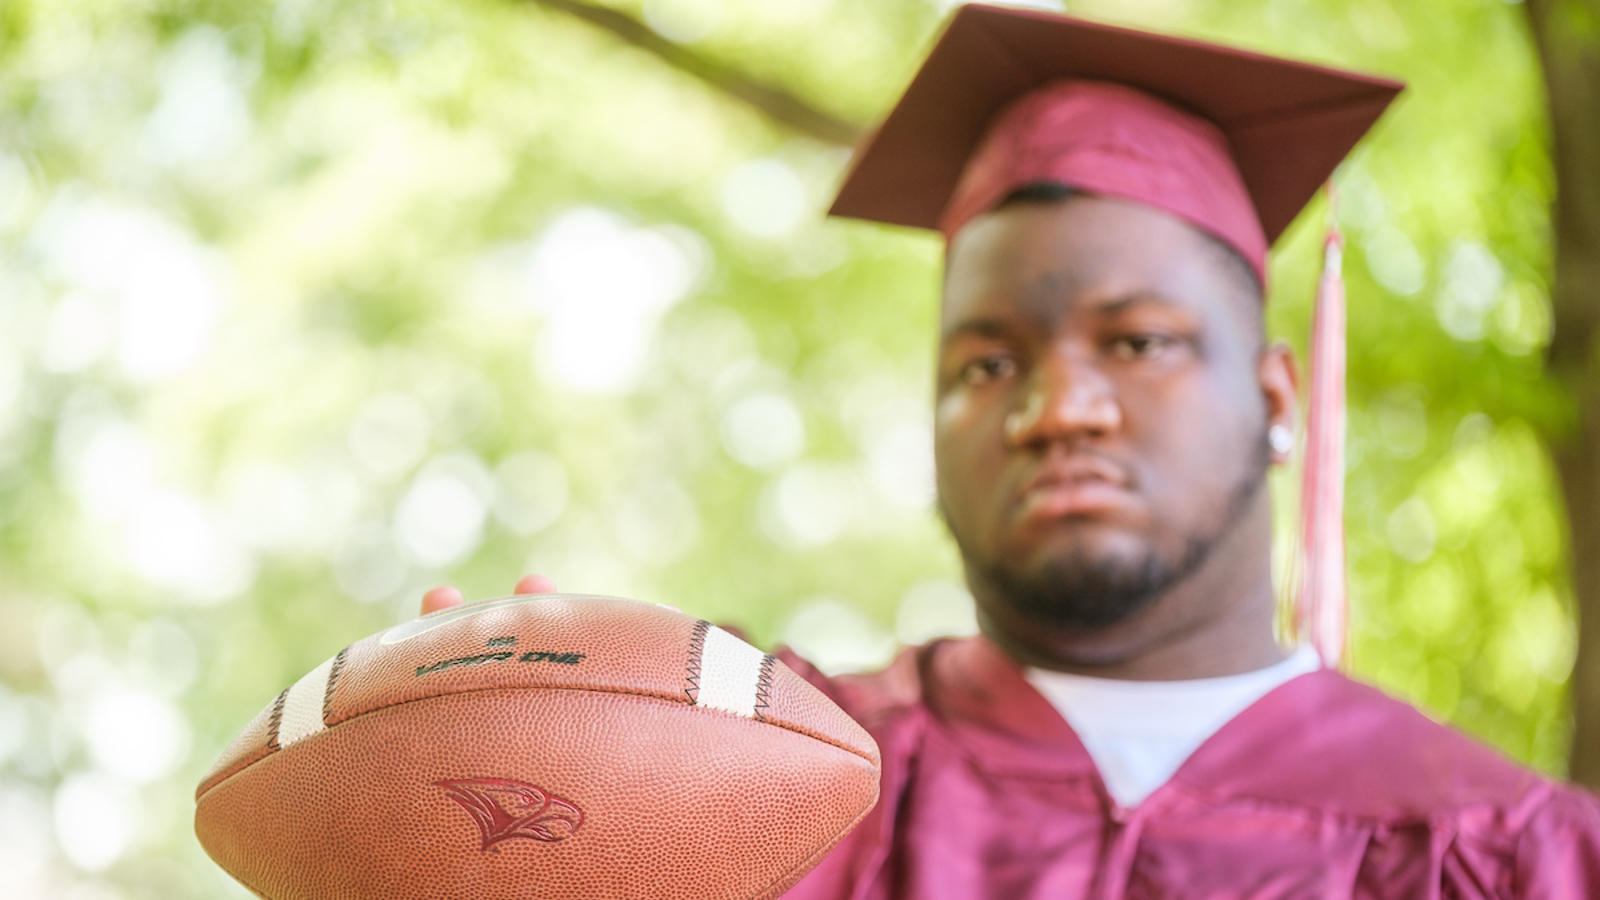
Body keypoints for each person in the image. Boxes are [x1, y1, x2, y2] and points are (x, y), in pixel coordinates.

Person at [423, 5, 1600, 896]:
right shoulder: (758, 775)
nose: (1056, 408)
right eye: (986, 366)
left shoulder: (1515, 855)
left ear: (1276, 394)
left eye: (1136, 341)